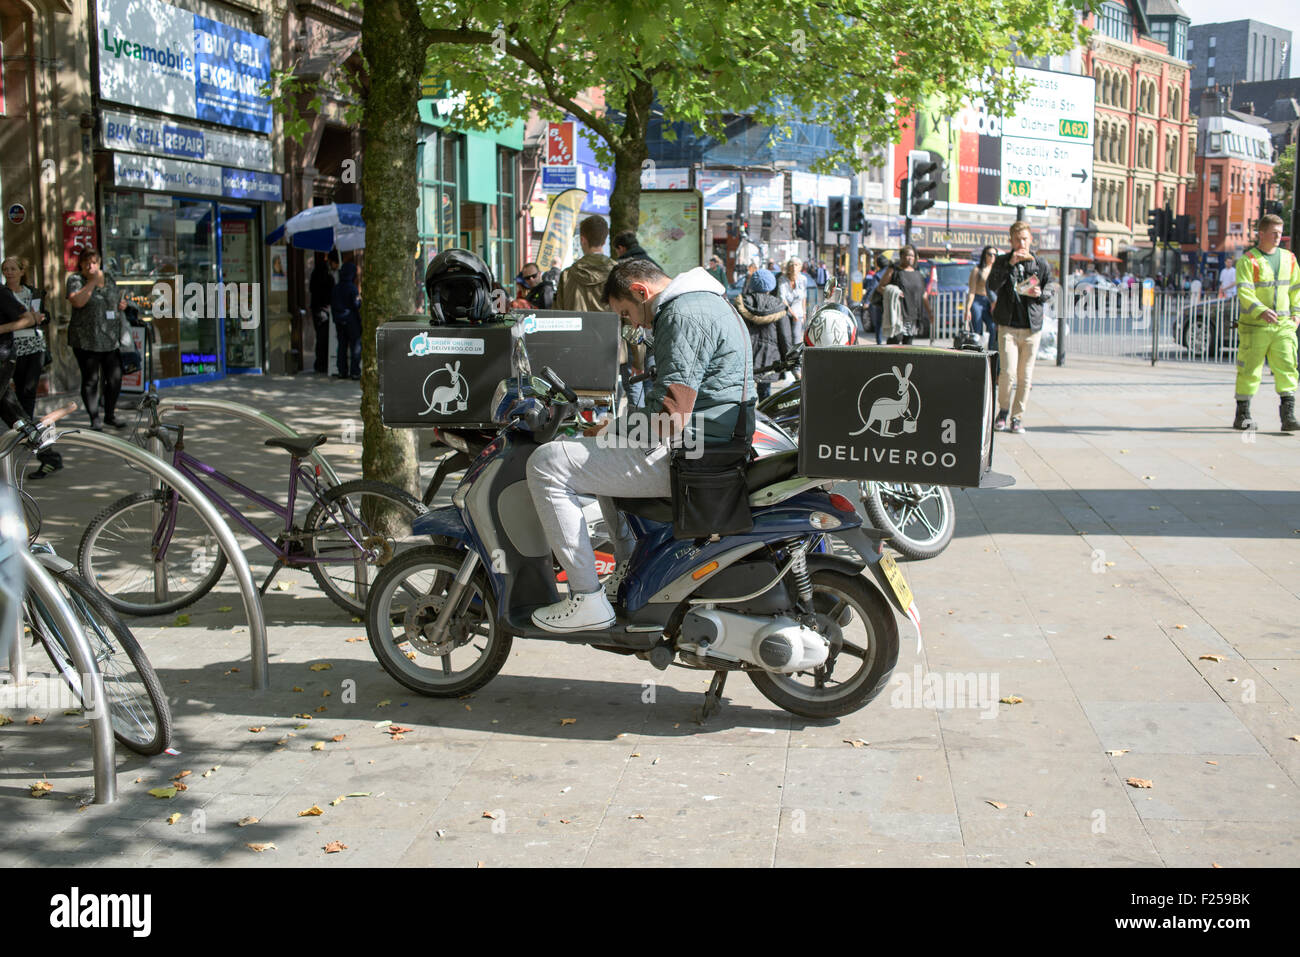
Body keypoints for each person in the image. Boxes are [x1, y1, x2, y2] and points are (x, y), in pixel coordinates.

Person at [525, 258, 753, 633]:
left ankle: (585, 597)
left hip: (693, 454)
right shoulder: (709, 301)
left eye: (628, 314)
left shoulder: (681, 314)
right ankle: (627, 572)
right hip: (709, 445)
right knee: (597, 455)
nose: (636, 325)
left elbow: (671, 415)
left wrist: (614, 430)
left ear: (641, 292)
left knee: (547, 463)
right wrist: (615, 431)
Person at [1232, 214, 1300, 431]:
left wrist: (1296, 313)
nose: (1278, 236)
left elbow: (1296, 288)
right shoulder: (1248, 260)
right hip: (1255, 327)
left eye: (1280, 232)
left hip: (1283, 326)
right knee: (1249, 370)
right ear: (1261, 234)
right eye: (1274, 233)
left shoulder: (1289, 258)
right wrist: (1260, 311)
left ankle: (1288, 416)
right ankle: (1243, 415)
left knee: (1287, 367)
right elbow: (1244, 291)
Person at [987, 221, 1056, 434]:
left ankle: (1017, 417)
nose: (1021, 243)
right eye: (1017, 239)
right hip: (1007, 326)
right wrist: (1009, 264)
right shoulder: (1001, 261)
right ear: (1011, 241)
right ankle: (1003, 412)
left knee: (1025, 376)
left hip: (1031, 328)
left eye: (1025, 239)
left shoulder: (1040, 263)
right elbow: (991, 285)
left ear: (1031, 239)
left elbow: (1051, 287)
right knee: (1007, 373)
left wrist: (1041, 294)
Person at [2, 257, 60, 476]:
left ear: (21, 271)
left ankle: (47, 454)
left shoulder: (28, 293)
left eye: (12, 269)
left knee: (23, 405)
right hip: (11, 351)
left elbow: (36, 318)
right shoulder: (4, 292)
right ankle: (47, 454)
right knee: (18, 414)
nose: (9, 272)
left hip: (27, 351)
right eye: (5, 269)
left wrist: (39, 318)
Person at [66, 247, 128, 430]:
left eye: (94, 262)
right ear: (81, 264)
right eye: (87, 263)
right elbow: (78, 302)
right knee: (91, 379)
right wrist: (92, 282)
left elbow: (115, 300)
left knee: (115, 378)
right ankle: (95, 419)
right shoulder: (76, 280)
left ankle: (110, 414)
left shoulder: (108, 278)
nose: (90, 266)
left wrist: (122, 304)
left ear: (99, 263)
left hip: (109, 338)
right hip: (86, 339)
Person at [731, 268, 793, 399]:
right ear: (771, 286)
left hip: (745, 357)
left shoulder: (741, 304)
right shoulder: (778, 307)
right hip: (769, 358)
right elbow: (785, 337)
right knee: (765, 395)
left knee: (744, 395)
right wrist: (789, 359)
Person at [875, 244, 932, 345]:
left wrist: (930, 313)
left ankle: (906, 361)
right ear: (901, 257)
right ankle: (890, 361)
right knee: (895, 340)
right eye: (907, 255)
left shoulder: (918, 274)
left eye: (912, 256)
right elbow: (880, 287)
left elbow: (924, 295)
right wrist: (894, 292)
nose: (910, 258)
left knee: (908, 343)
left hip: (913, 316)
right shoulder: (894, 270)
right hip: (898, 315)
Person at [556, 216, 616, 311]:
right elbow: (629, 318)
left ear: (582, 240)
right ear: (604, 241)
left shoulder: (566, 276)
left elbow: (557, 315)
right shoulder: (618, 273)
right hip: (610, 326)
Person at [330, 260, 362, 380]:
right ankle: (354, 371)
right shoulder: (352, 288)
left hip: (339, 320)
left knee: (342, 346)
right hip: (351, 320)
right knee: (355, 346)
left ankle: (342, 370)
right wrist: (359, 301)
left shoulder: (336, 287)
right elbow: (356, 304)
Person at [309, 250, 339, 375]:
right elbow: (316, 289)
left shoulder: (325, 271)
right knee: (322, 336)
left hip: (323, 307)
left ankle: (322, 363)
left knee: (323, 336)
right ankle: (321, 363)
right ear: (332, 262)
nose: (336, 267)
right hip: (321, 308)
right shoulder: (322, 271)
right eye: (336, 264)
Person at [963, 246, 998, 349]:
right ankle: (976, 352)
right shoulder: (977, 270)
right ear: (985, 255)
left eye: (995, 255)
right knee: (977, 328)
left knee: (992, 327)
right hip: (977, 301)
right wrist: (967, 309)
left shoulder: (996, 271)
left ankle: (992, 353)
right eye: (989, 254)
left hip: (990, 302)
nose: (992, 257)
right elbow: (972, 291)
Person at [777, 259, 808, 346]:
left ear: (800, 267)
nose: (794, 267)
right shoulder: (782, 279)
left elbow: (804, 297)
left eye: (796, 265)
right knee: (785, 337)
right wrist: (793, 314)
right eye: (792, 265)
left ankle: (796, 358)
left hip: (798, 312)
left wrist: (804, 312)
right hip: (784, 311)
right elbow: (782, 299)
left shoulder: (803, 279)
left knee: (796, 337)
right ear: (788, 267)